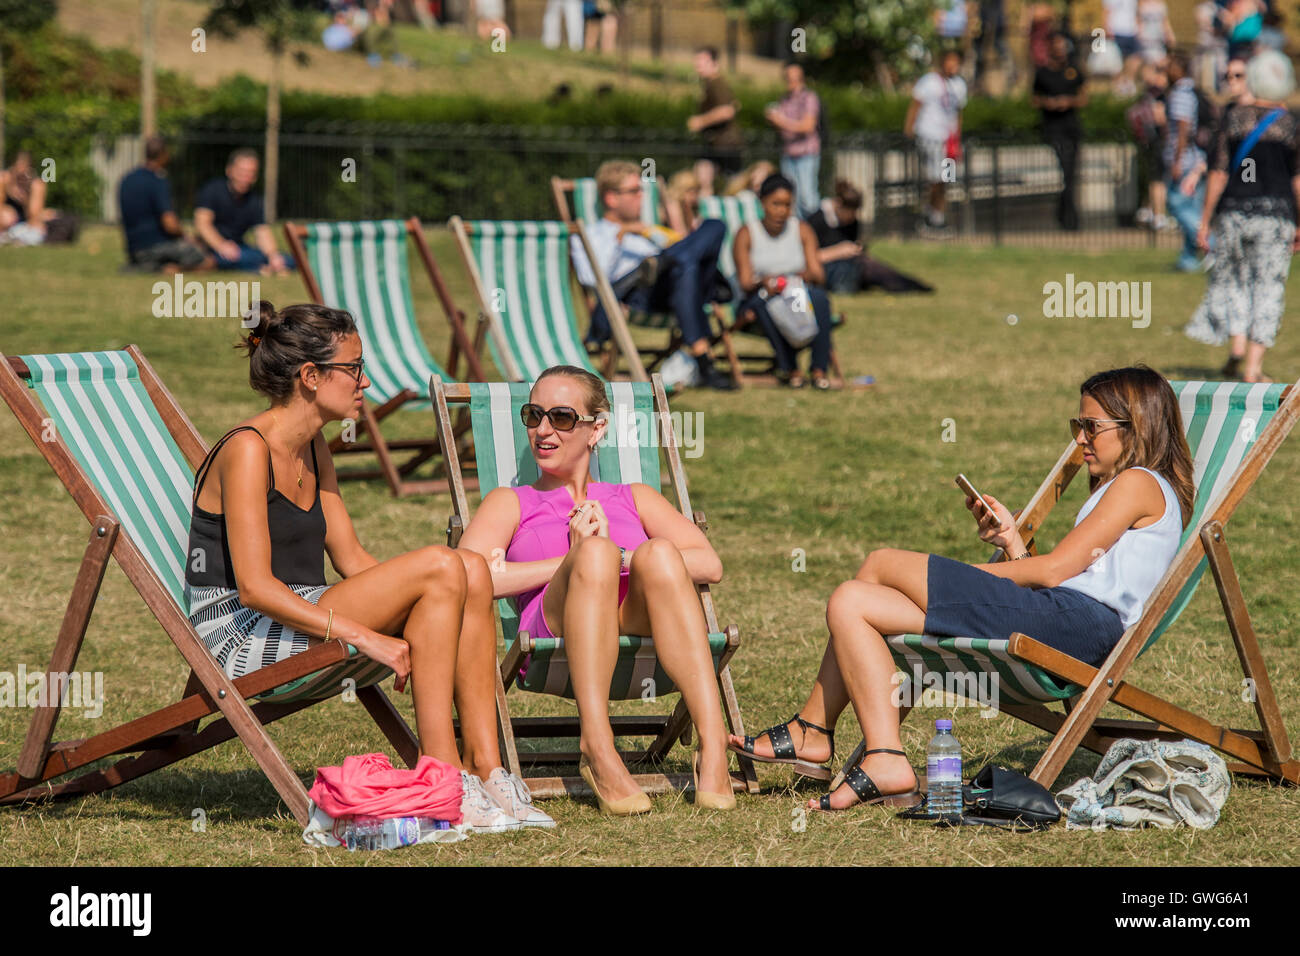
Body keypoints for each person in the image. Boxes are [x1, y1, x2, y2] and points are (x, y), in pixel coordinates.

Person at [731, 366, 1195, 812]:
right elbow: (1064, 581)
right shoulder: (1133, 487)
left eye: (1091, 426)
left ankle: (812, 729)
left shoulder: (1139, 482)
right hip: (1064, 619)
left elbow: (1054, 573)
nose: (1079, 439)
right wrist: (1013, 542)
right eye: (1078, 424)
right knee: (851, 602)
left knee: (879, 562)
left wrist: (971, 581)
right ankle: (884, 757)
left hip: (1079, 625)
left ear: (1134, 426)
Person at [186, 301, 553, 831]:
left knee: (466, 567)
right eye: (353, 368)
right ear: (310, 377)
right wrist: (370, 637)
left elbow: (353, 559)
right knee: (442, 566)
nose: (366, 381)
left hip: (304, 610)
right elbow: (255, 589)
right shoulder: (247, 450)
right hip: (244, 634)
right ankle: (442, 778)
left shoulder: (313, 446)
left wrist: (437, 598)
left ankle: (487, 770)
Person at [458, 365, 737, 814]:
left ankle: (715, 744)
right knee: (594, 555)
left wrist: (624, 557)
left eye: (562, 418)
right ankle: (598, 746)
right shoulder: (511, 502)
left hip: (634, 619)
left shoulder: (634, 496)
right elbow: (470, 575)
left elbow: (710, 563)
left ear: (596, 428)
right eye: (534, 416)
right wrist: (574, 555)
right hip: (552, 628)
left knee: (661, 553)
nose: (544, 430)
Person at [570, 161, 737, 390]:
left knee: (714, 226)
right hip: (639, 295)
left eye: (641, 190)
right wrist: (620, 237)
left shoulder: (647, 231)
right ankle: (704, 363)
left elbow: (682, 244)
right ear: (611, 198)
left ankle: (663, 261)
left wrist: (647, 231)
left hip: (680, 285)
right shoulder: (589, 236)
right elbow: (591, 277)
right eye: (634, 191)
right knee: (683, 265)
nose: (641, 196)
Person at [1186, 49, 1299, 383]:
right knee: (1268, 287)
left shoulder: (1232, 119)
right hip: (1275, 216)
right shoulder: (1291, 124)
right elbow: (1296, 179)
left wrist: (1205, 220)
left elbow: (1218, 174)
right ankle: (1252, 367)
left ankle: (1236, 346)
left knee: (1235, 280)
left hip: (1235, 212)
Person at [733, 174, 837, 389]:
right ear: (762, 203)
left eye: (787, 205)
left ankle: (819, 369)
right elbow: (744, 283)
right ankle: (791, 368)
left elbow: (818, 275)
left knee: (819, 299)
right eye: (776, 204)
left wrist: (795, 278)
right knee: (766, 304)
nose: (781, 211)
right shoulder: (746, 234)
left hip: (796, 295)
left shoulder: (802, 230)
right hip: (759, 297)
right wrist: (764, 283)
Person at [808, 180, 934, 294]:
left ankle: (912, 285)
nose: (851, 218)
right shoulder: (816, 220)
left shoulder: (852, 222)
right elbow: (809, 258)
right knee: (870, 268)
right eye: (849, 214)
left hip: (850, 267)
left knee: (871, 265)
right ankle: (911, 287)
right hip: (827, 270)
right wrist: (839, 251)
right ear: (839, 205)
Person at [117, 136, 212, 273]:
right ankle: (169, 269)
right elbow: (169, 223)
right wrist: (186, 236)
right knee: (207, 260)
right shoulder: (157, 181)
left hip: (134, 248)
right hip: (157, 246)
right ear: (163, 154)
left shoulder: (127, 179)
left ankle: (144, 265)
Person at [193, 149, 295, 275]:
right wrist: (221, 246)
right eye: (242, 172)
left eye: (251, 173)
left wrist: (273, 256)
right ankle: (258, 269)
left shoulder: (254, 200)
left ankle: (264, 266)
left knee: (288, 260)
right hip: (212, 248)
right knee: (234, 258)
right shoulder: (212, 190)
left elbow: (262, 232)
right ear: (229, 171)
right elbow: (202, 224)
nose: (246, 177)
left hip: (240, 249)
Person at [905, 48, 967, 232]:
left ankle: (937, 216)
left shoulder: (959, 85)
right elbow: (915, 105)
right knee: (935, 177)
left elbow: (958, 113)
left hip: (949, 140)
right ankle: (930, 215)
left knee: (947, 179)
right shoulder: (929, 81)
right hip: (930, 136)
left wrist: (958, 138)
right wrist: (908, 129)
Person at [1033, 30, 1087, 232]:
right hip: (1052, 128)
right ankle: (1068, 219)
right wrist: (1049, 103)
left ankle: (1068, 218)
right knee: (1066, 173)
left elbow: (1084, 97)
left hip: (1071, 127)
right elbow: (1034, 98)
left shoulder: (1074, 70)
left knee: (1071, 175)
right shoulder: (1042, 73)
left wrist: (1068, 101)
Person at [1165, 52, 1209, 271]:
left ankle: (1212, 243)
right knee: (1193, 208)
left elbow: (1183, 129)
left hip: (1187, 161)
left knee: (1176, 203)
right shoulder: (1194, 91)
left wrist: (1177, 161)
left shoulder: (1180, 94)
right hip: (1198, 159)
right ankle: (1189, 259)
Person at [765, 63, 822, 220]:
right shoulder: (784, 99)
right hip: (789, 153)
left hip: (806, 154)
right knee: (792, 200)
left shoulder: (809, 98)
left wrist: (781, 121)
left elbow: (808, 126)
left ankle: (816, 231)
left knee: (807, 198)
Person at [688, 47, 744, 198]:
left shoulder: (716, 83)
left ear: (714, 63)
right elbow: (734, 104)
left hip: (725, 145)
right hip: (717, 144)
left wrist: (701, 121)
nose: (698, 65)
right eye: (697, 61)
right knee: (704, 179)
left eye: (702, 61)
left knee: (732, 187)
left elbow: (727, 111)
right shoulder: (710, 84)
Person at [1129, 59, 1169, 232]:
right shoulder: (1156, 95)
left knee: (1156, 178)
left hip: (1151, 141)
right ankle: (1158, 216)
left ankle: (1146, 210)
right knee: (1158, 179)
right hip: (1157, 141)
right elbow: (1160, 119)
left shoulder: (1148, 94)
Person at [0, 150, 55, 244]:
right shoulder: (4, 179)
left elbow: (33, 216)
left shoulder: (37, 184)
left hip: (26, 223)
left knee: (38, 226)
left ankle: (14, 237)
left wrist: (25, 197)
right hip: (7, 221)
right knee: (6, 216)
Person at [974, 0, 1015, 91]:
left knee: (1001, 49)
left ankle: (1011, 75)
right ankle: (977, 79)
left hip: (997, 24)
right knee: (979, 53)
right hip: (984, 24)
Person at [1104, 0, 1142, 96]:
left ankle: (1129, 83)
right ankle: (1117, 87)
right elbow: (1106, 11)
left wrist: (1139, 28)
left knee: (1135, 58)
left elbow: (1136, 11)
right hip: (1116, 31)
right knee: (1117, 62)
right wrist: (1107, 29)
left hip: (1132, 31)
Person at [663, 168, 703, 236]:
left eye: (697, 192)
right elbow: (681, 234)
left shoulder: (690, 207)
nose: (695, 197)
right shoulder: (672, 205)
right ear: (681, 190)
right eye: (692, 192)